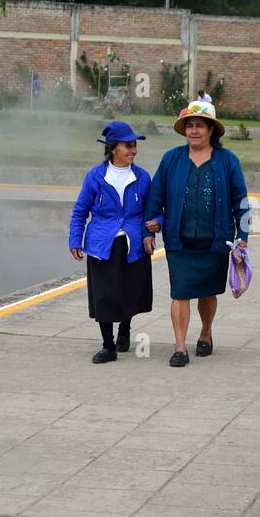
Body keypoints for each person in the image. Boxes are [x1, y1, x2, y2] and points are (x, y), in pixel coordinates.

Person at [144, 98, 248, 367]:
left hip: (215, 241)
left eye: (200, 125)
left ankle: (206, 332)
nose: (194, 131)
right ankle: (180, 347)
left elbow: (241, 200)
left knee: (207, 292)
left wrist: (243, 237)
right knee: (180, 292)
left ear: (211, 129)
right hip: (179, 241)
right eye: (190, 125)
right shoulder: (171, 159)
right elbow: (156, 195)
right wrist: (151, 224)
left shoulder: (227, 161)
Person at [69, 122, 155, 364]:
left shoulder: (142, 177)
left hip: (133, 244)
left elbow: (153, 209)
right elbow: (80, 211)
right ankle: (108, 346)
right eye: (128, 146)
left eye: (135, 145)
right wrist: (75, 239)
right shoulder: (95, 176)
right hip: (102, 244)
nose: (133, 150)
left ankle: (125, 329)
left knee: (130, 291)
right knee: (104, 295)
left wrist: (155, 224)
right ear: (113, 148)